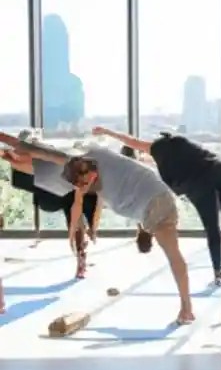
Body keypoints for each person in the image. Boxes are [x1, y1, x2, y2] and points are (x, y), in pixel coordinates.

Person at [0, 131, 192, 323]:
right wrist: (89, 229)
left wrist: (76, 230)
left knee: (173, 255)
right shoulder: (93, 160)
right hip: (157, 199)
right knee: (173, 254)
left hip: (154, 204)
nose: (82, 187)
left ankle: (186, 308)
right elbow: (39, 154)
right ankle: (187, 308)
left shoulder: (84, 163)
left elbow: (74, 197)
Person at [93, 127, 221, 284]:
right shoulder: (167, 151)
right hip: (209, 179)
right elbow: (133, 142)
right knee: (219, 222)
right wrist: (108, 132)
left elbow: (133, 142)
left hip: (216, 180)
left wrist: (108, 132)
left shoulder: (163, 152)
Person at [1, 144, 100, 278]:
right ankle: (80, 250)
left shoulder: (43, 162)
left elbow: (17, 161)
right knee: (75, 216)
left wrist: (7, 155)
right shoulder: (72, 166)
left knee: (74, 212)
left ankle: (80, 248)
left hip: (48, 198)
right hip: (61, 194)